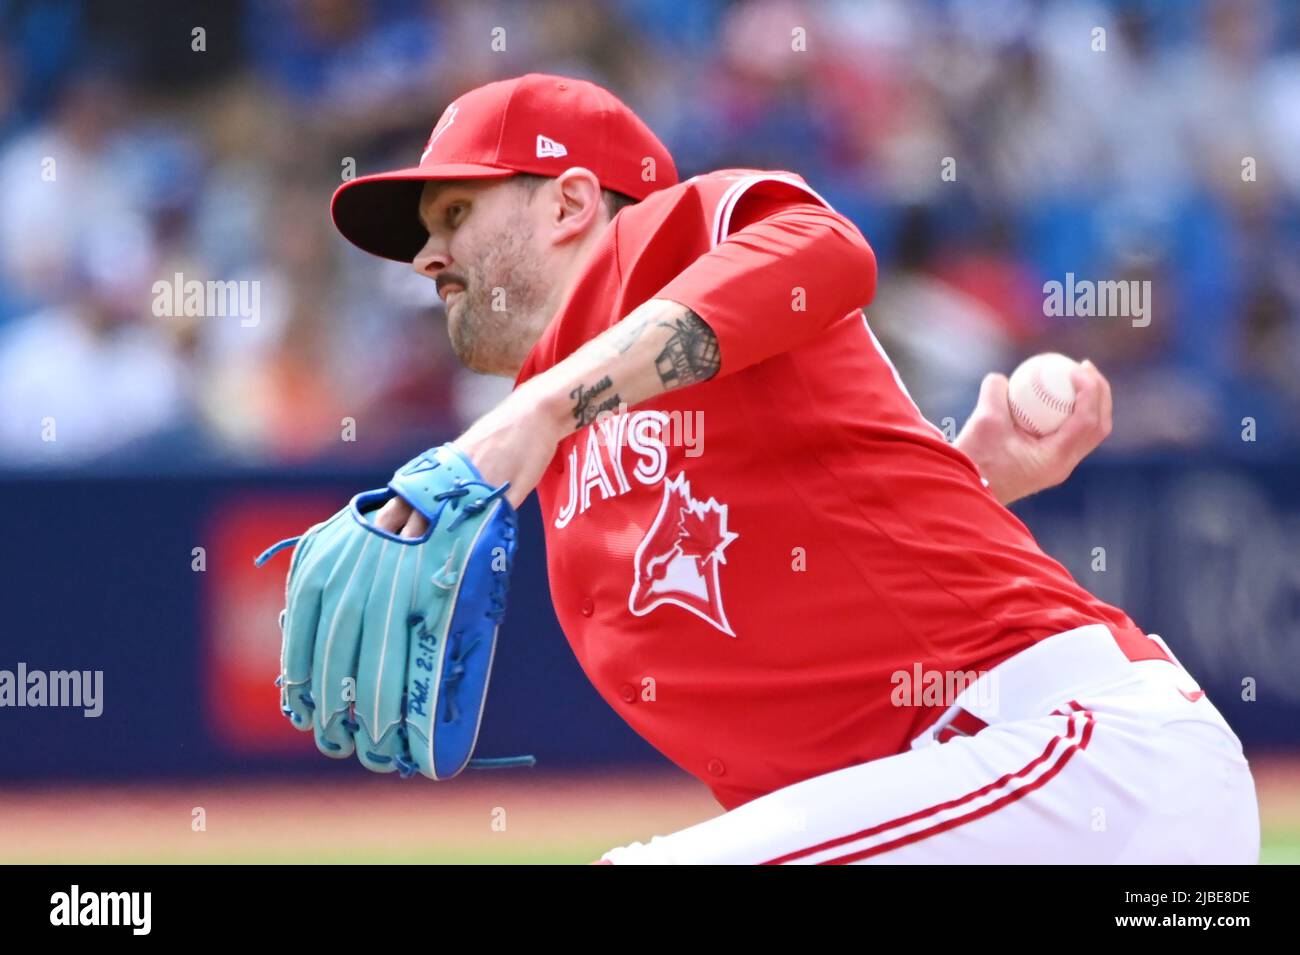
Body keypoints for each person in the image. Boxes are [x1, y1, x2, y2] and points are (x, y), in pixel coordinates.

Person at [315, 73, 1259, 863]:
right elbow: (799, 553)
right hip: (974, 799)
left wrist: (542, 406)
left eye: (454, 211)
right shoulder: (558, 459)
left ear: (568, 200)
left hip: (1079, 758)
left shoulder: (662, 243)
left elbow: (827, 252)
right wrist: (960, 480)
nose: (428, 254)